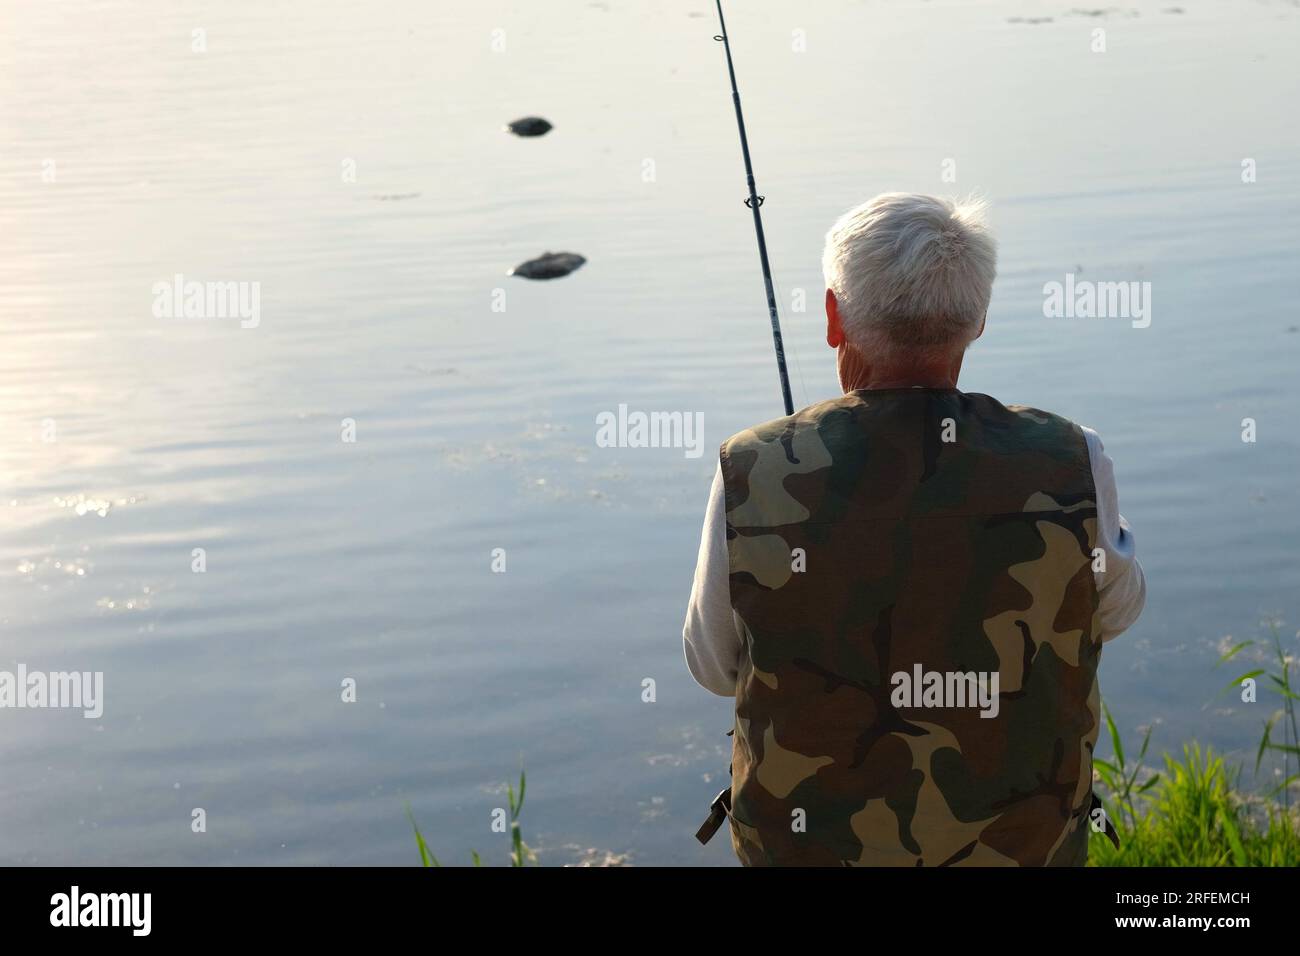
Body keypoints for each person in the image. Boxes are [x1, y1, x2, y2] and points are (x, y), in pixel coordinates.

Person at [682, 193, 1146, 866]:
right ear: (977, 320)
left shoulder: (750, 468)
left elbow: (713, 666)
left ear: (833, 317)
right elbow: (1119, 609)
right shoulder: (1075, 457)